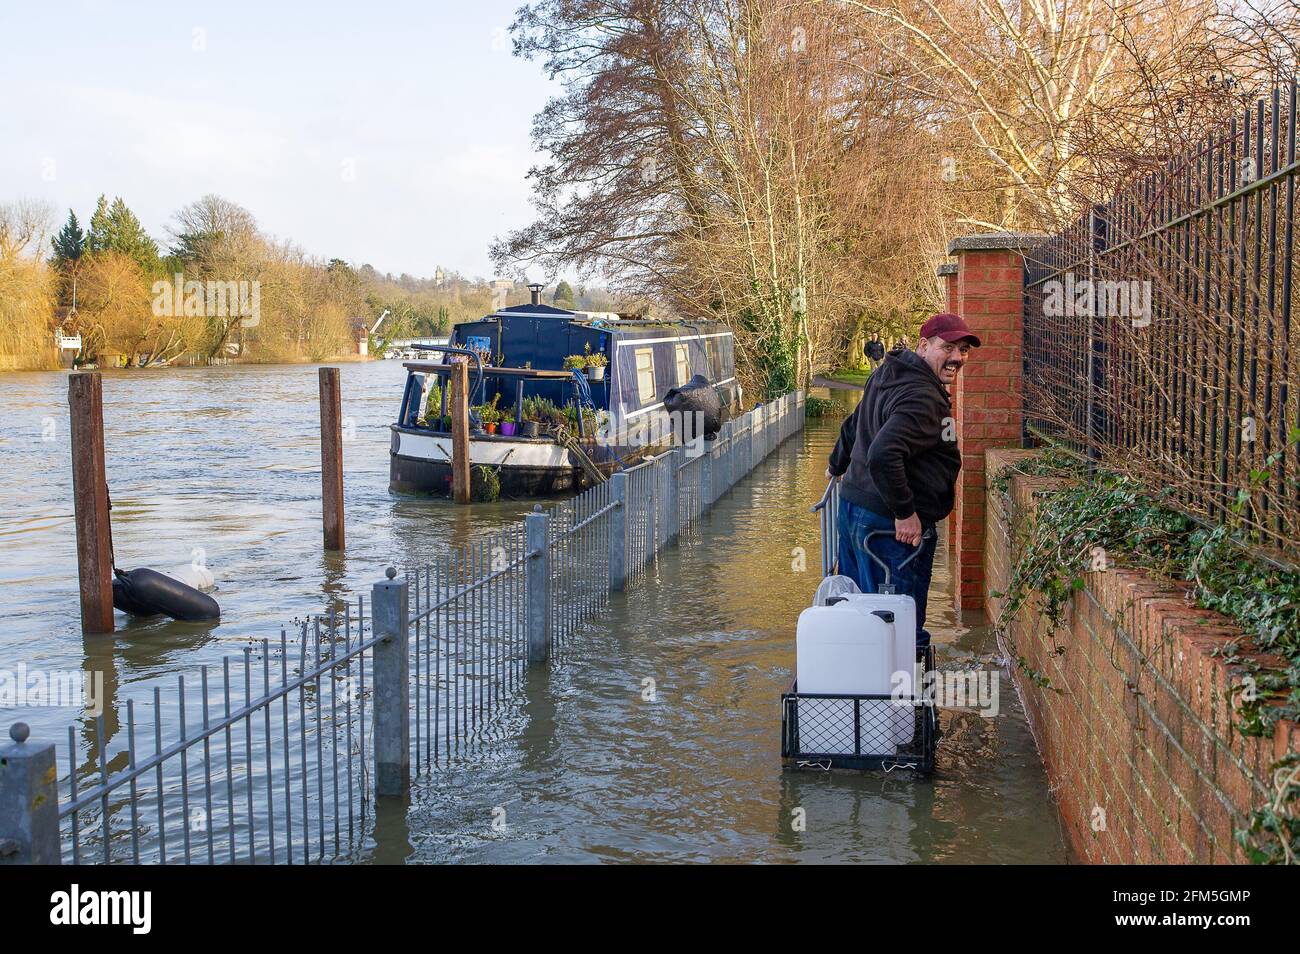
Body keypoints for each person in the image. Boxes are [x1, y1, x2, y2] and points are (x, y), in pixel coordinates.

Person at [825, 312, 980, 652]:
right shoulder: (922, 396)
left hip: (854, 511)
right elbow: (883, 453)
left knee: (859, 612)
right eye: (948, 347)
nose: (957, 357)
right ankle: (900, 700)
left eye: (964, 350)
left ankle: (861, 691)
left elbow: (854, 423)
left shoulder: (887, 374)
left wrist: (837, 464)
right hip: (888, 529)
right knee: (898, 624)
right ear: (924, 345)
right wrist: (905, 512)